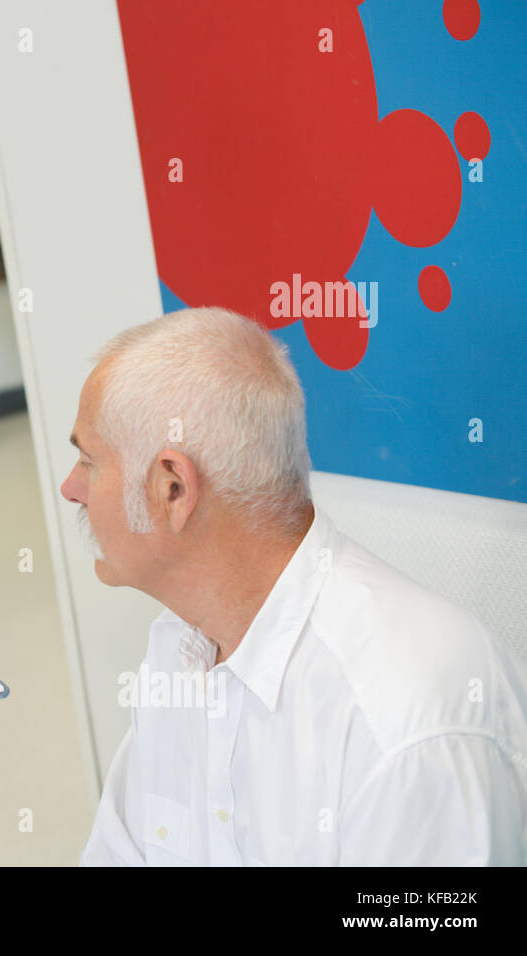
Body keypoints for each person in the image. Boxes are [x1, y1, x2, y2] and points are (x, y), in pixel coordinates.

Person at [63, 306, 527, 865]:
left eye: (88, 462)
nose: (70, 488)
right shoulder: (178, 648)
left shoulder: (403, 723)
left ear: (172, 489)